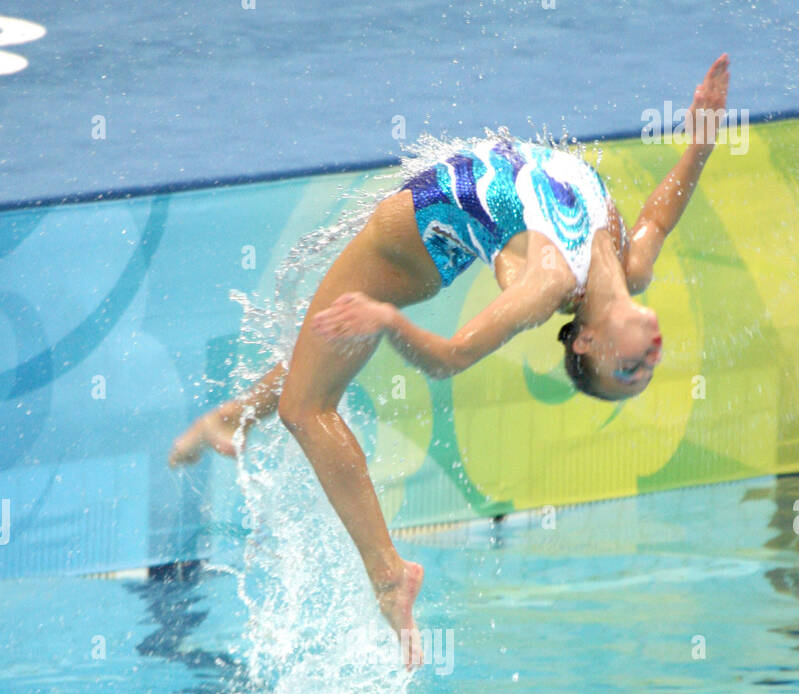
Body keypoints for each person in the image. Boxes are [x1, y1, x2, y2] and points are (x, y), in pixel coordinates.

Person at [169, 57, 730, 663]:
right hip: (475, 211)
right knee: (322, 353)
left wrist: (388, 320)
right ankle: (236, 415)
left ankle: (388, 575)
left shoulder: (543, 285)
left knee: (306, 406)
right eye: (645, 373)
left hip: (414, 234)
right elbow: (657, 214)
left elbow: (449, 359)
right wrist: (701, 139)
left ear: (588, 344)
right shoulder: (631, 264)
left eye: (626, 373)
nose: (645, 364)